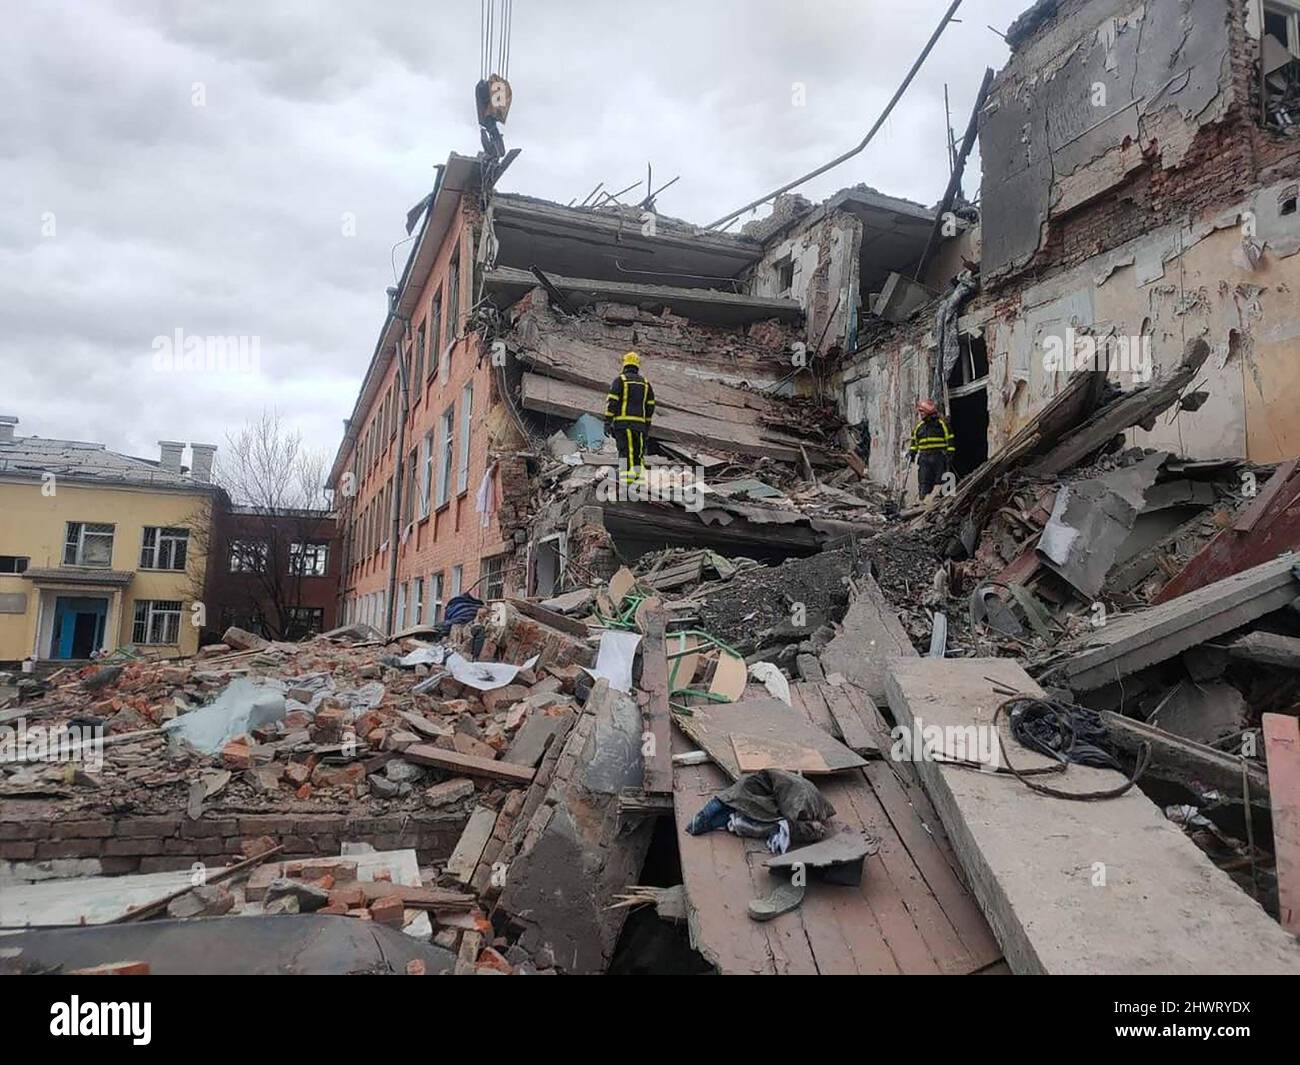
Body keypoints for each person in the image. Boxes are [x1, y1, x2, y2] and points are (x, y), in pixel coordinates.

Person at [604, 351, 655, 485]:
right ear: (637, 366)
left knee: (625, 452)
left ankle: (626, 482)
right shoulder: (646, 384)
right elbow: (650, 408)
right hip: (640, 427)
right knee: (638, 454)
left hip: (623, 424)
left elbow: (612, 403)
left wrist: (607, 422)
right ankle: (639, 483)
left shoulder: (620, 380)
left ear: (624, 365)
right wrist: (647, 427)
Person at [908, 398, 955, 499]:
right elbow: (914, 442)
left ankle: (939, 502)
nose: (921, 415)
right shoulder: (919, 427)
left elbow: (950, 439)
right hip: (924, 458)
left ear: (928, 412)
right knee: (924, 482)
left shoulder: (942, 424)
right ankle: (923, 502)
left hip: (938, 457)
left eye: (922, 412)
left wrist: (950, 453)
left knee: (940, 481)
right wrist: (912, 452)